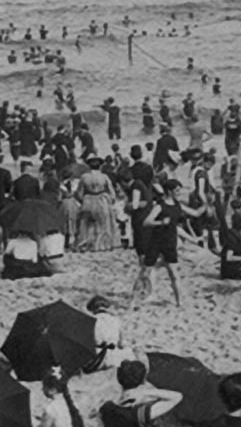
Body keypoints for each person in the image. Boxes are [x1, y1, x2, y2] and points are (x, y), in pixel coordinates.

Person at [131, 176, 204, 308]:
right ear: (169, 191)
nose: (179, 194)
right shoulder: (160, 206)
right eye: (177, 191)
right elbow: (146, 222)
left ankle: (179, 302)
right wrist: (160, 222)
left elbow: (196, 213)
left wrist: (207, 203)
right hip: (156, 243)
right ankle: (133, 301)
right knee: (145, 272)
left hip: (170, 243)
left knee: (174, 274)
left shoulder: (178, 205)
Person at [75, 154, 116, 252]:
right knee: (103, 223)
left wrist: (82, 200)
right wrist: (111, 200)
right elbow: (112, 193)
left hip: (88, 199)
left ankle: (85, 244)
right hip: (102, 199)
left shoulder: (84, 177)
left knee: (85, 224)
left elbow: (79, 193)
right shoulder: (104, 176)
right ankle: (102, 245)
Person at [83, 295, 124, 372]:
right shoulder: (115, 320)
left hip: (98, 359)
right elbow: (121, 344)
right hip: (114, 357)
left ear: (93, 309)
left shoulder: (91, 321)